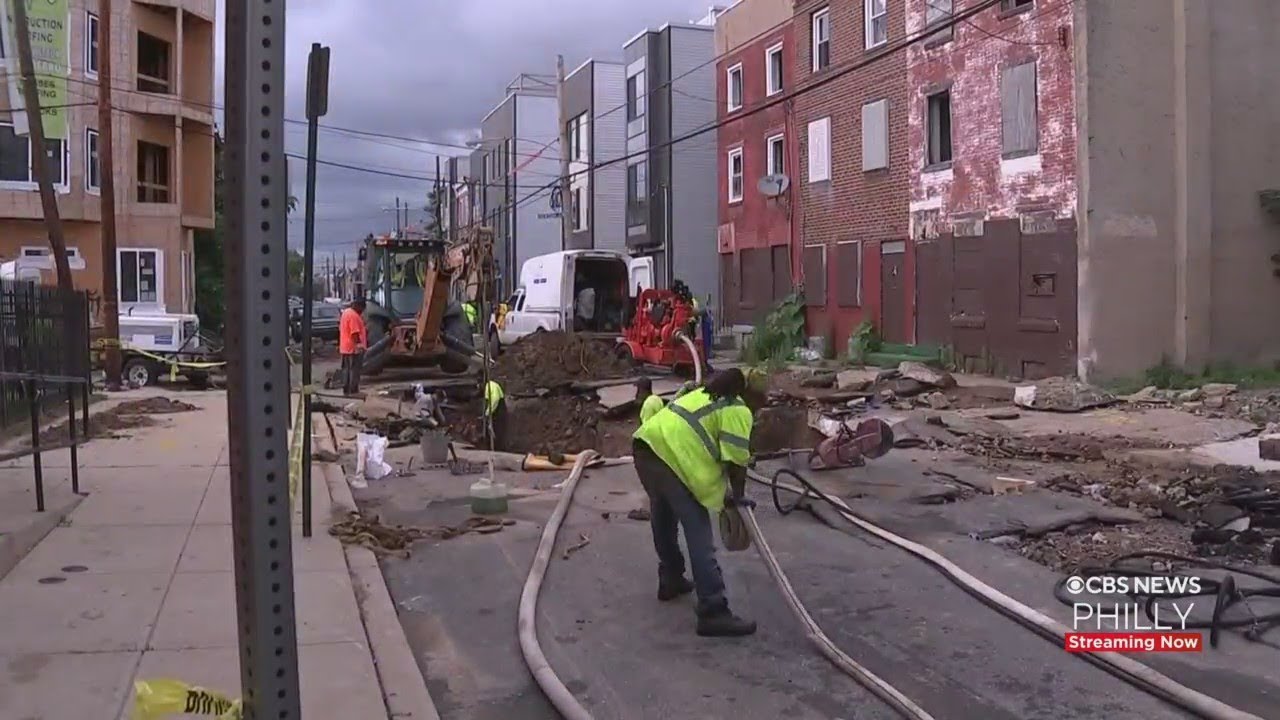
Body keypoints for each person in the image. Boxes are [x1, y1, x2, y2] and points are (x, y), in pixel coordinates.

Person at [632, 368, 757, 637]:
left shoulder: (702, 394)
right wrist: (737, 497)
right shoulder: (738, 409)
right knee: (699, 533)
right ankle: (713, 610)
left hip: (646, 448)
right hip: (673, 460)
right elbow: (736, 461)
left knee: (663, 514)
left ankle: (671, 578)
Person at [339, 297, 368, 396]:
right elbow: (354, 333)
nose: (362, 312)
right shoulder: (354, 316)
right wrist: (359, 345)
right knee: (354, 369)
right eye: (362, 309)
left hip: (345, 347)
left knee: (346, 369)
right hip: (353, 348)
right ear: (358, 306)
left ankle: (346, 389)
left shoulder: (346, 313)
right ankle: (353, 389)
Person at [482, 378, 508, 451]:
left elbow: (495, 399)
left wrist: (488, 412)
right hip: (495, 410)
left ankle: (497, 448)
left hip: (498, 410)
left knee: (497, 429)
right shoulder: (488, 386)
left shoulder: (491, 386)